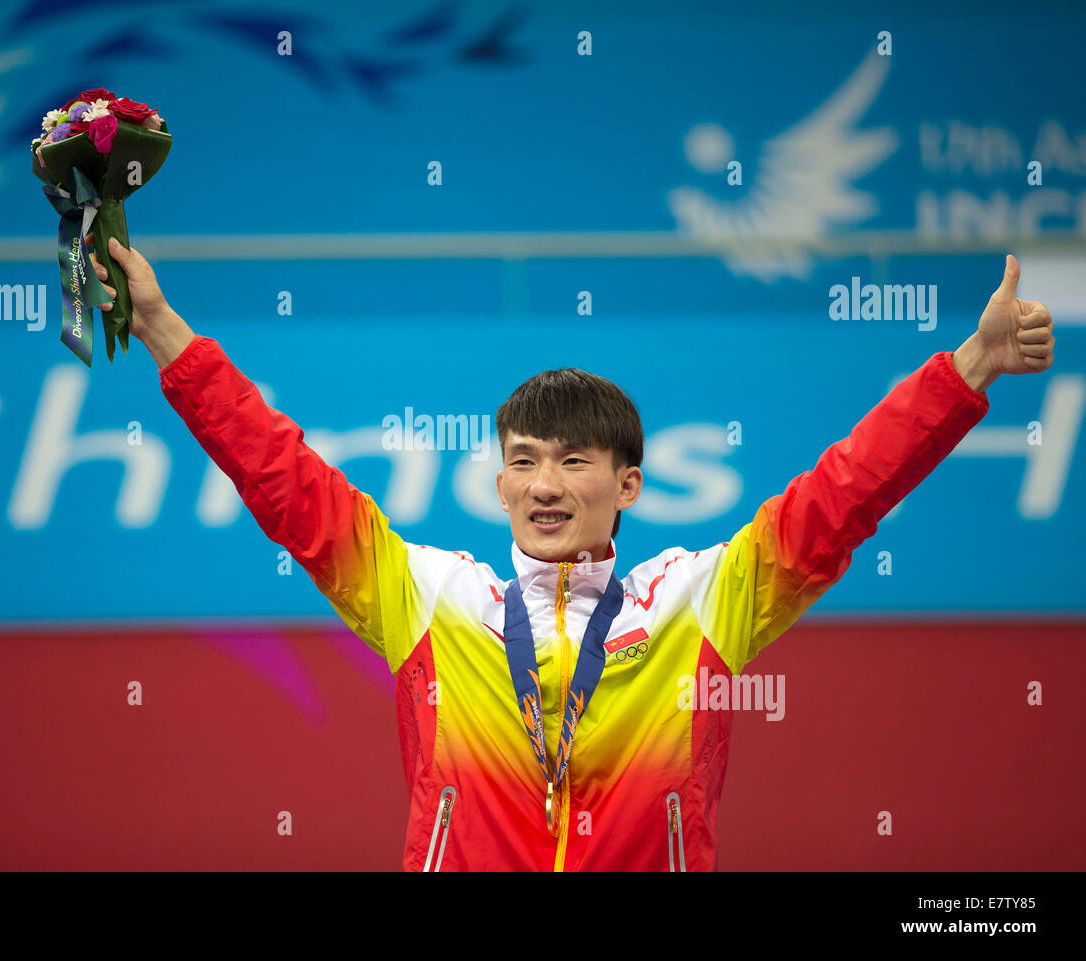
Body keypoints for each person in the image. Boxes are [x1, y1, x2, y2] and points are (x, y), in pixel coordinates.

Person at [86, 235, 1055, 871]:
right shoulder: (432, 597)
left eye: (573, 462)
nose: (545, 484)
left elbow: (844, 494)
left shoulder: (698, 603)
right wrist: (165, 325)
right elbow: (283, 480)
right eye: (522, 462)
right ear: (498, 483)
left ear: (627, 484)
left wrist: (968, 368)